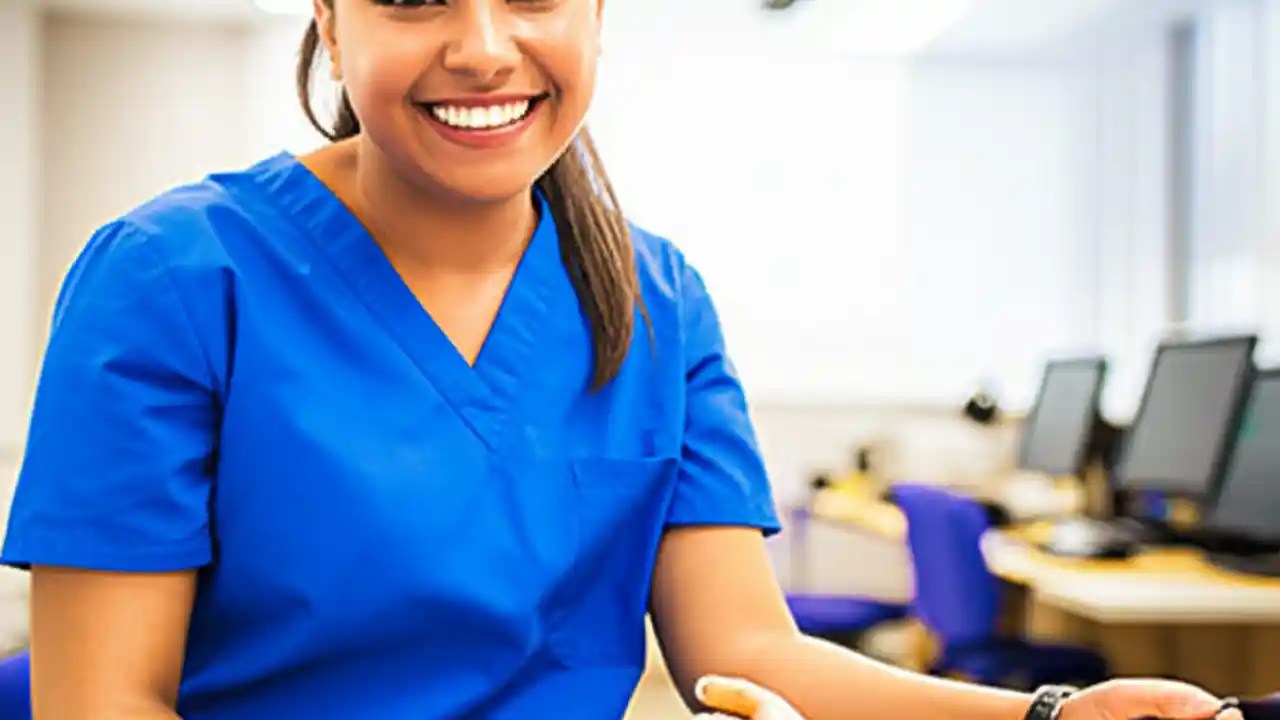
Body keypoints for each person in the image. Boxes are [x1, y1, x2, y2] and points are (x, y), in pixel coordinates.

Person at [0, 1, 1244, 719]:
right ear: (328, 18)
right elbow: (102, 703)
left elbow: (743, 654)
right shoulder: (173, 277)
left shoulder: (657, 299)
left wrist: (1043, 713)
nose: (482, 47)